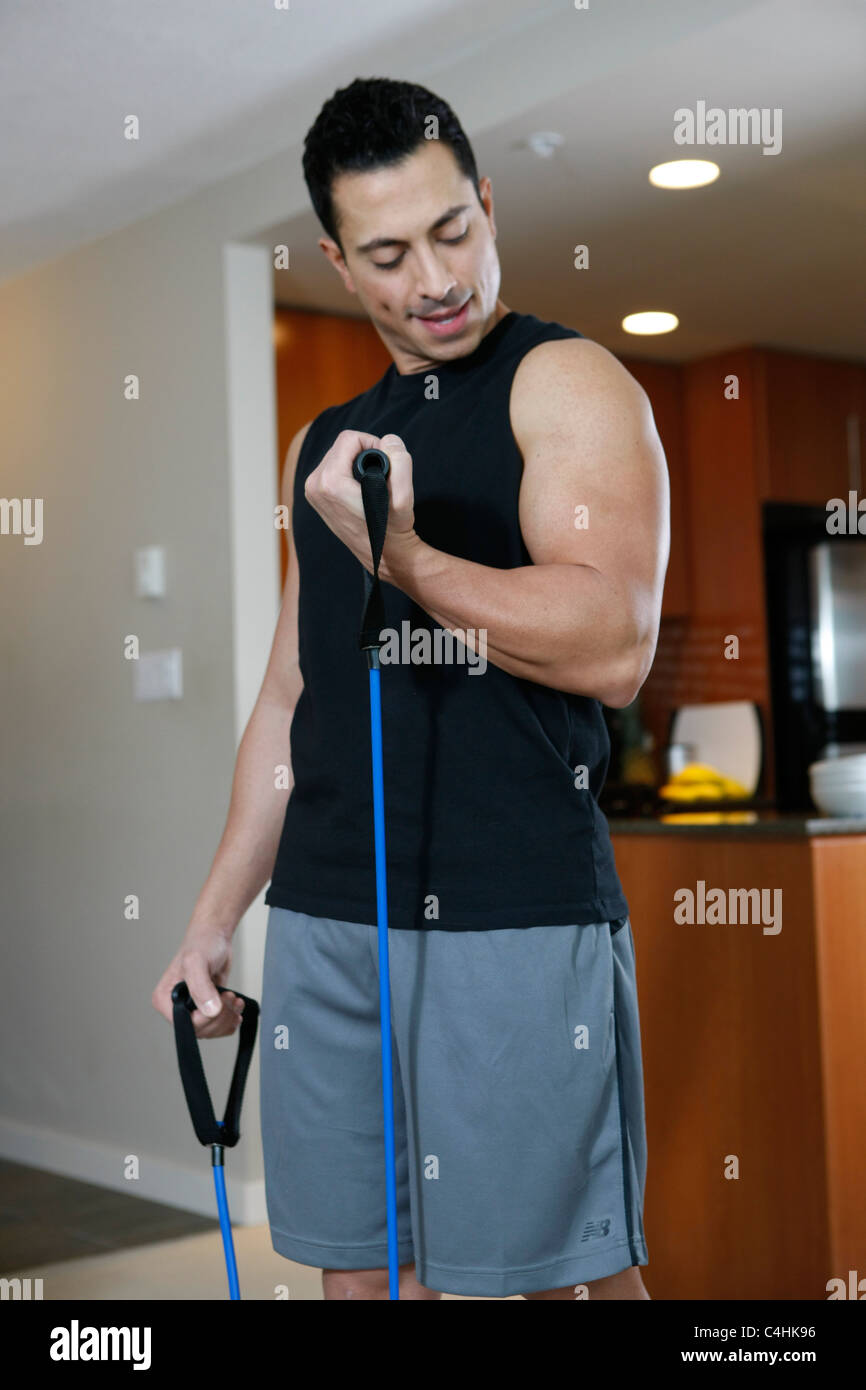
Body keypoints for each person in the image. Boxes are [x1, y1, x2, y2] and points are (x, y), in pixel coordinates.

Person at [152, 76, 669, 1301]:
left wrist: (408, 560)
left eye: (452, 231)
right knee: (365, 1274)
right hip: (331, 916)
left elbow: (611, 644)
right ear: (338, 259)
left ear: (486, 203)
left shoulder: (565, 384)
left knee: (558, 1280)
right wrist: (213, 918)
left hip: (513, 913)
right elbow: (291, 701)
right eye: (388, 252)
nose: (434, 278)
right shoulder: (322, 446)